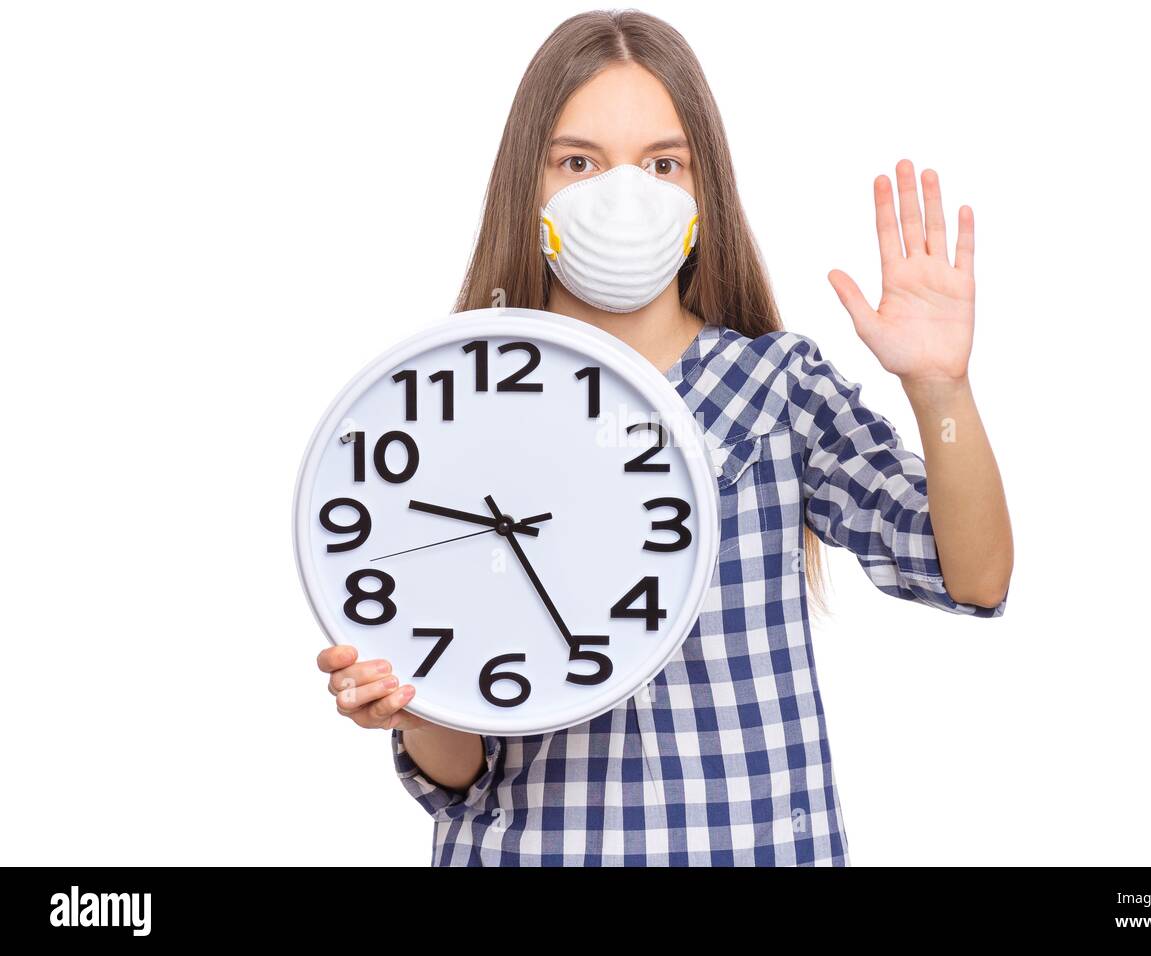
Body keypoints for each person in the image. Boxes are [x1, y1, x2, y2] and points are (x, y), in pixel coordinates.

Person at [316, 9, 1013, 866]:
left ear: (698, 190)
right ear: (528, 188)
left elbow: (972, 575)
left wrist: (940, 388)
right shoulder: (452, 399)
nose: (623, 193)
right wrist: (421, 708)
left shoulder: (774, 387)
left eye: (661, 162)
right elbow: (460, 773)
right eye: (579, 161)